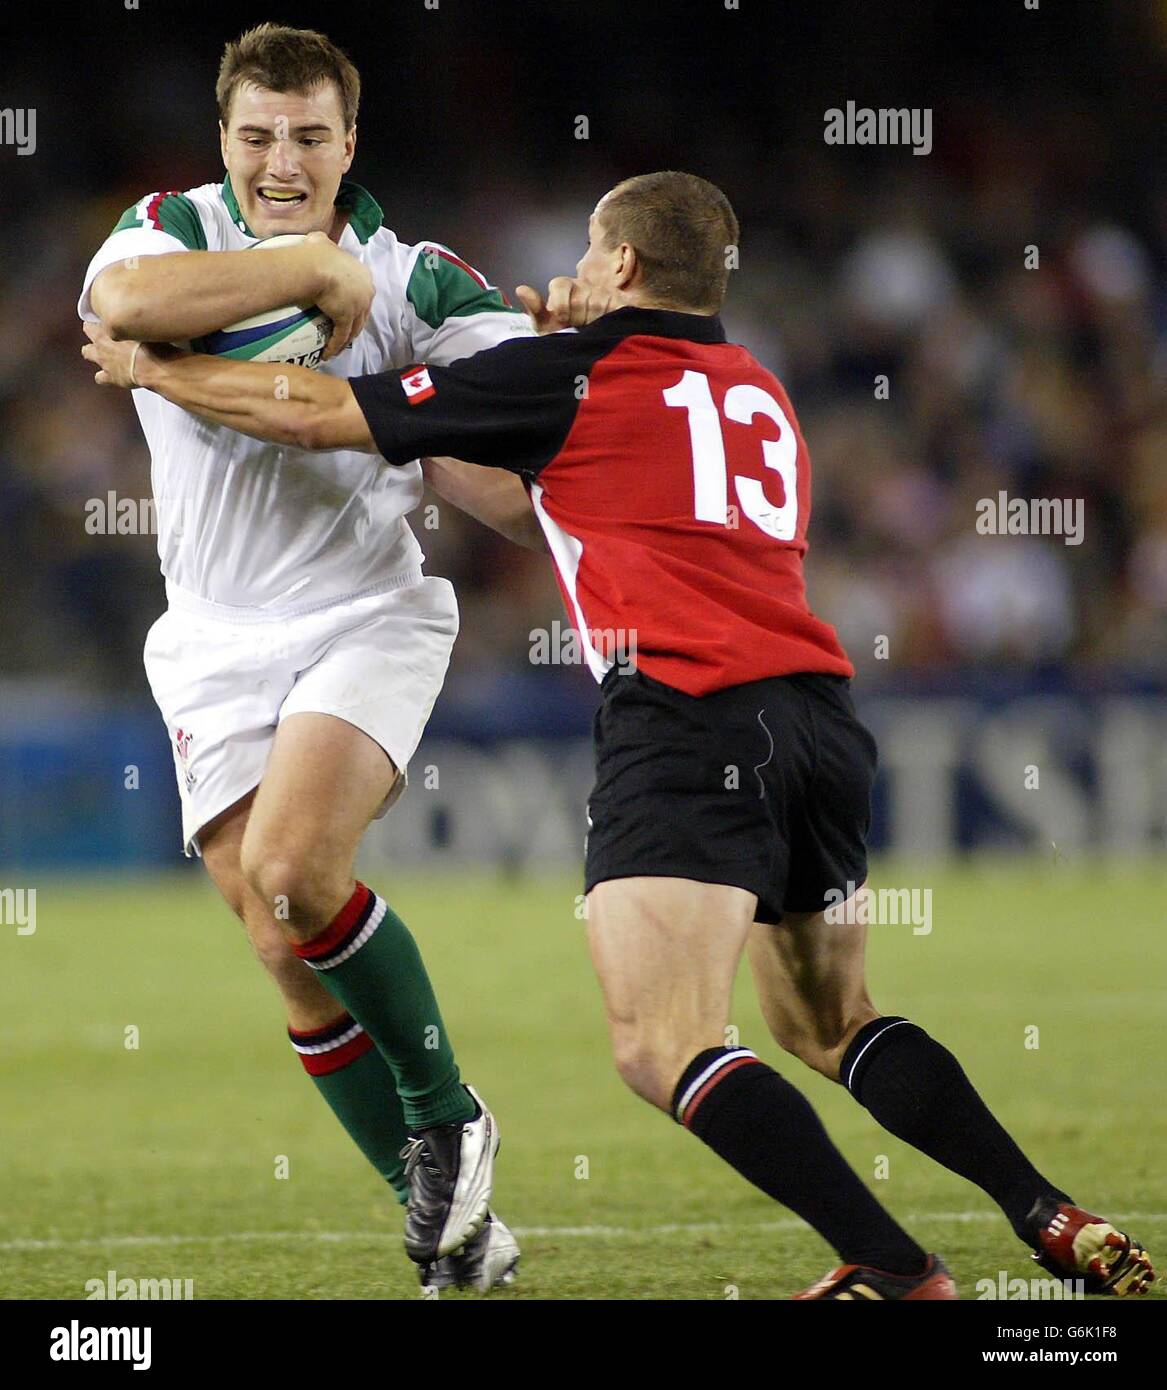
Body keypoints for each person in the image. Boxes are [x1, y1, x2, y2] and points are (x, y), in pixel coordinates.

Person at [84, 170, 1154, 1300]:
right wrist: (506, 380)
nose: (574, 275)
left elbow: (318, 413)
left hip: (689, 717)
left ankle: (893, 1267)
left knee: (663, 1043)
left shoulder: (565, 374)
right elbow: (534, 471)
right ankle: (1050, 1212)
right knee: (833, 1020)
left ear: (627, 267)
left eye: (593, 254)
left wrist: (156, 370)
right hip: (821, 716)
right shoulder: (756, 388)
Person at [77, 22, 537, 1292]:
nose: (283, 159)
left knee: (293, 867)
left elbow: (503, 481)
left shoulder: (421, 277)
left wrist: (500, 429)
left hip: (363, 615)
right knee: (283, 943)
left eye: (310, 136)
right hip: (212, 637)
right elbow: (122, 305)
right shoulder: (169, 226)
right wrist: (302, 275)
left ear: (350, 143)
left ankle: (449, 1116)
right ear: (225, 139)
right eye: (259, 134)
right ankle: (454, 1227)